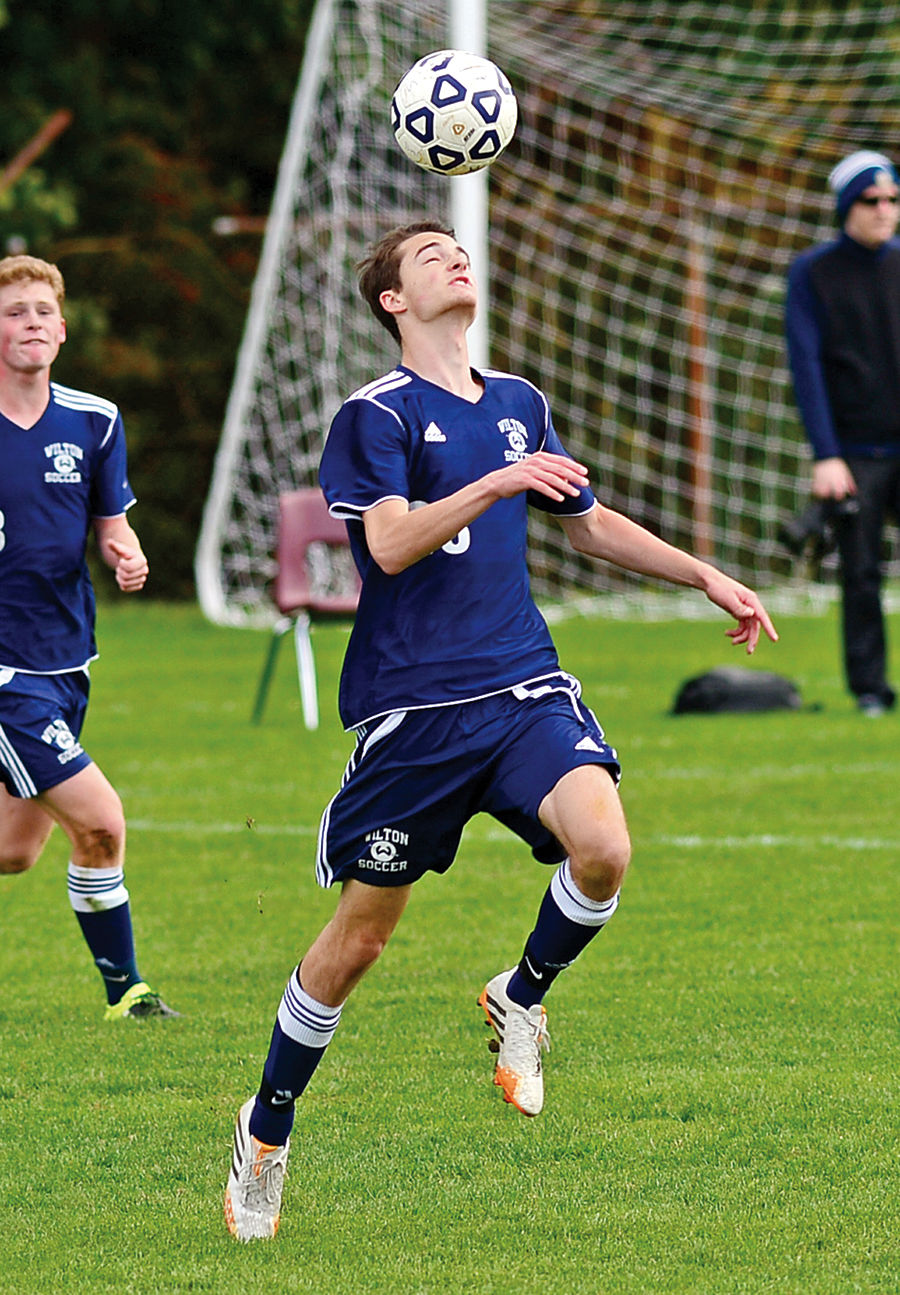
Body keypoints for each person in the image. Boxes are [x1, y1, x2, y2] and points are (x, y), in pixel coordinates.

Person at [224, 221, 777, 1241]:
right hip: (413, 714)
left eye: (457, 249)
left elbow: (588, 518)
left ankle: (520, 994)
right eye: (428, 255)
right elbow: (386, 544)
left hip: (521, 683)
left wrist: (701, 570)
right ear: (392, 299)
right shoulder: (375, 413)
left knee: (605, 845)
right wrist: (492, 484)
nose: (454, 259)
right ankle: (266, 1128)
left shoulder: (520, 403)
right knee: (359, 941)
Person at [0, 254, 177, 1020]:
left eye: (41, 311)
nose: (29, 323)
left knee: (15, 850)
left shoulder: (96, 421)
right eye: (13, 312)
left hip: (66, 656)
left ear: (63, 329)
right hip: (5, 669)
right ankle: (127, 992)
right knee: (101, 819)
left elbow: (110, 522)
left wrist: (124, 549)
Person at [786, 149, 900, 717]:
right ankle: (871, 690)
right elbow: (806, 366)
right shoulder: (814, 272)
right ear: (845, 207)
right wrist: (826, 454)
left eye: (891, 199)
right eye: (870, 200)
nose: (883, 210)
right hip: (855, 453)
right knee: (860, 576)